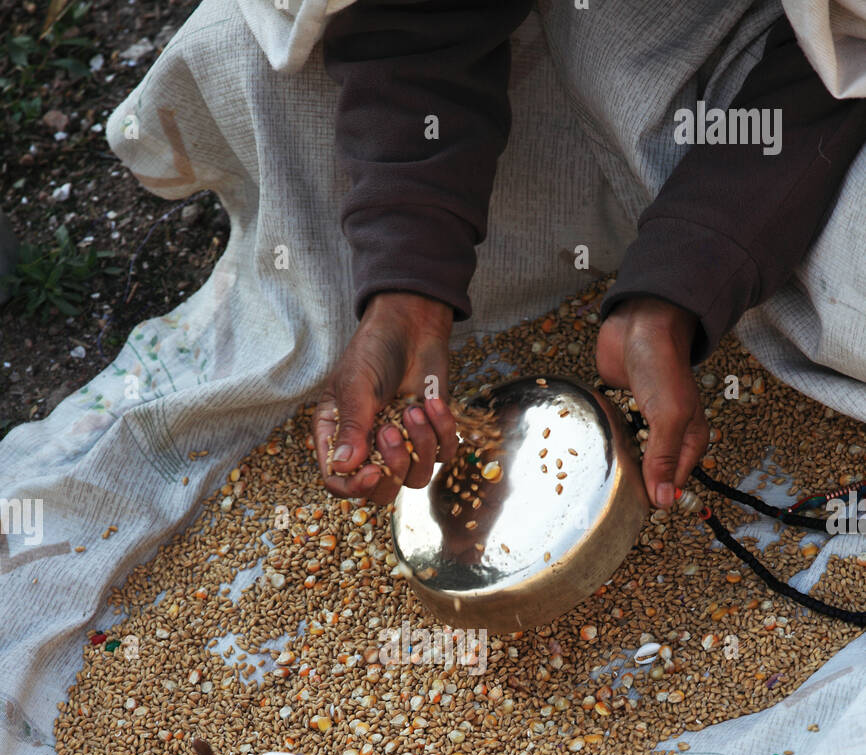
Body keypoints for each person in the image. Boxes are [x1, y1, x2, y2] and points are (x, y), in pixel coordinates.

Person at [313, 2, 866, 510]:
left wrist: (683, 280)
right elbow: (411, 25)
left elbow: (847, 45)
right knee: (255, 67)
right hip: (530, 29)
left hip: (804, 44)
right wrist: (408, 289)